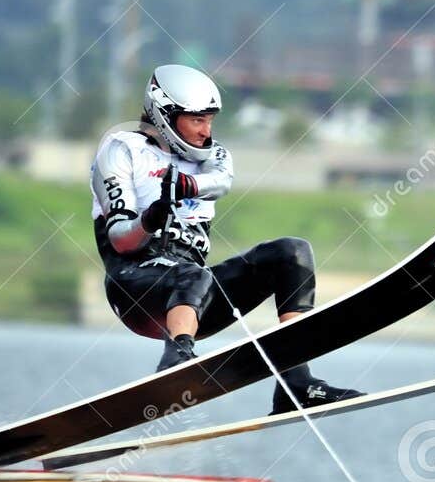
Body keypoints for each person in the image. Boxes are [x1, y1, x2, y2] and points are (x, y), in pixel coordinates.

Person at [89, 63, 361, 413]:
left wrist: (187, 186)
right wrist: (150, 218)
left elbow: (221, 181)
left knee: (291, 252)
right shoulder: (121, 149)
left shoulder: (213, 155)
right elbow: (122, 242)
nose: (207, 130)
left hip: (195, 300)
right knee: (193, 273)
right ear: (165, 115)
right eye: (197, 120)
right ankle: (176, 361)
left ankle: (295, 383)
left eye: (211, 119)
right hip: (135, 291)